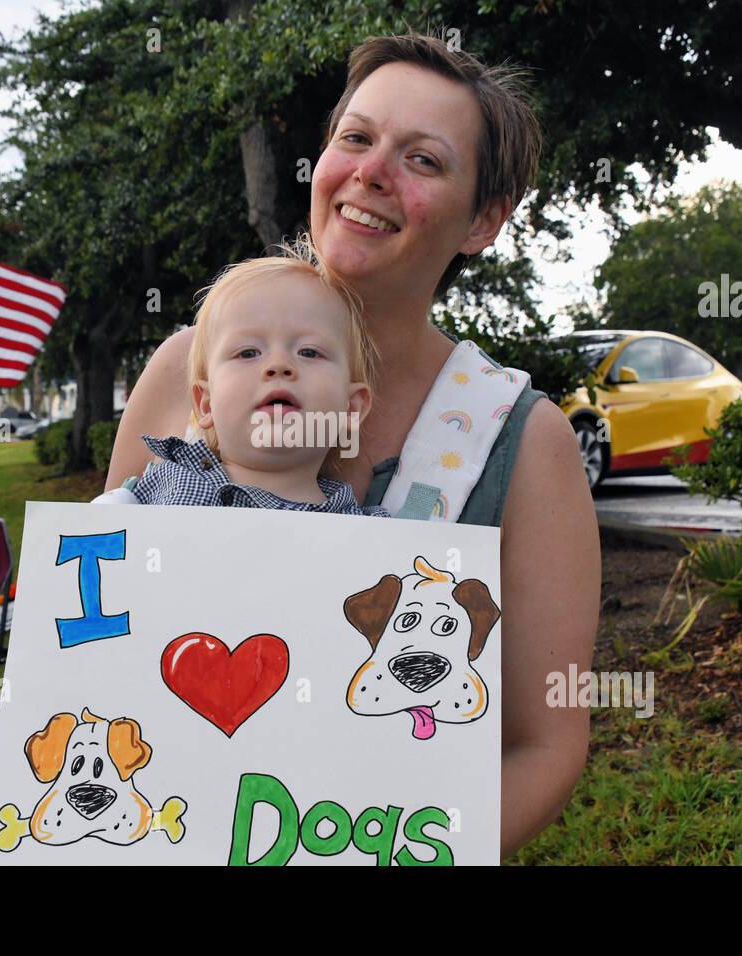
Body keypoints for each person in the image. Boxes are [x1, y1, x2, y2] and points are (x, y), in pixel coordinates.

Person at [106, 34, 600, 856]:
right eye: (356, 138)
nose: (371, 172)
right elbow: (104, 632)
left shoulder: (524, 438)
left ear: (483, 221)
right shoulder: (183, 371)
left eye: (424, 161)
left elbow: (546, 743)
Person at [95, 238, 387, 515]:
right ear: (206, 404)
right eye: (248, 353)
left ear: (351, 408)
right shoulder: (160, 486)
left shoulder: (369, 537)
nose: (278, 365)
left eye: (309, 352)